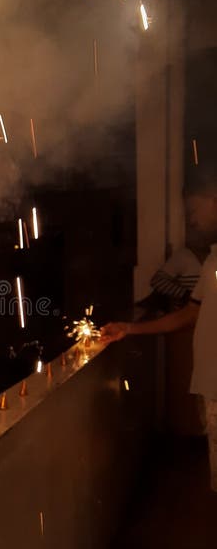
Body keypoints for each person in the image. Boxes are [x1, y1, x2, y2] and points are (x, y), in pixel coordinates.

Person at [102, 185, 217, 491]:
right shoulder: (212, 262)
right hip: (211, 386)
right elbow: (189, 315)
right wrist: (129, 329)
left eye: (195, 209)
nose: (191, 220)